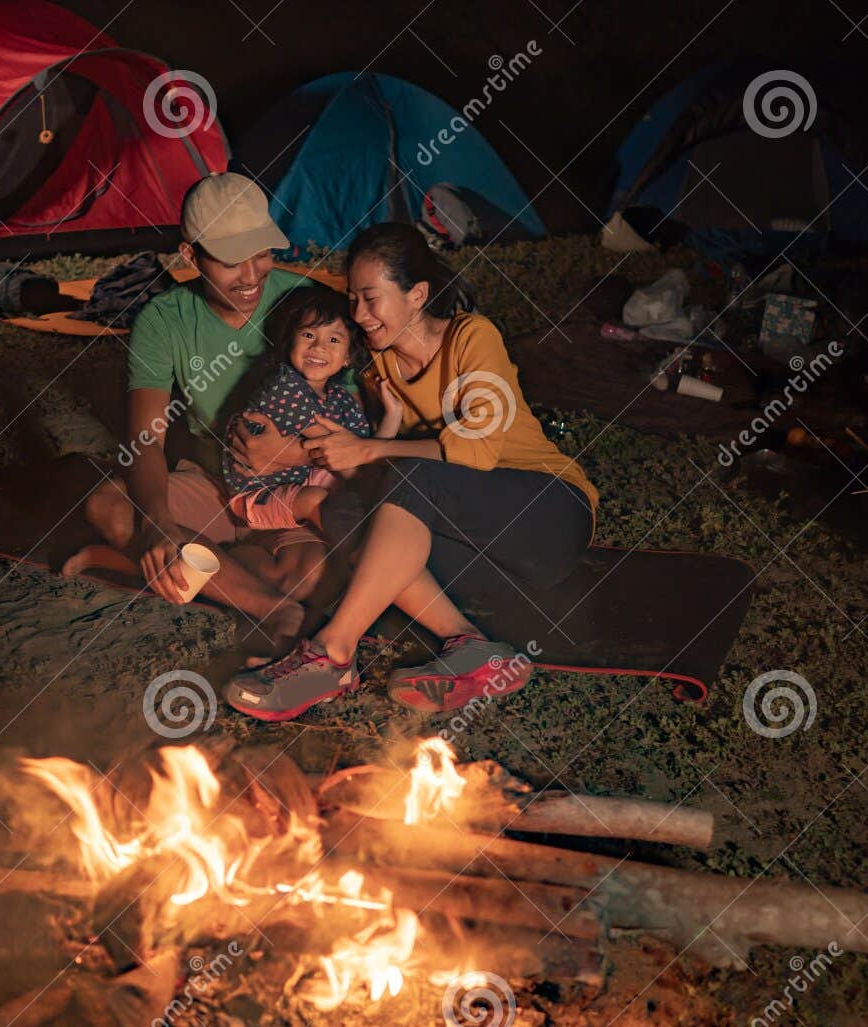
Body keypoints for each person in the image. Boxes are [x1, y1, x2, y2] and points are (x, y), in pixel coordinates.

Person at [224, 223, 599, 721]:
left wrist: (371, 449)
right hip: (478, 550)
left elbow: (480, 450)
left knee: (407, 473)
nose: (358, 314)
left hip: (548, 517)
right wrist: (283, 450)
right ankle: (468, 646)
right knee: (347, 508)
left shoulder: (471, 336)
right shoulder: (379, 365)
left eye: (371, 298)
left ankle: (333, 653)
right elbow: (363, 454)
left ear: (417, 295)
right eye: (352, 298)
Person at [78, 173, 340, 654]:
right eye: (230, 261)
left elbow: (348, 424)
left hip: (291, 485)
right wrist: (158, 519)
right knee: (112, 506)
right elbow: (146, 441)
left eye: (262, 254)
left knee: (310, 575)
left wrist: (289, 455)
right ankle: (274, 608)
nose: (251, 276)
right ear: (190, 257)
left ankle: (175, 566)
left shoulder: (305, 305)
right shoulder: (164, 320)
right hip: (214, 483)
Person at [220, 284, 402, 598]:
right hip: (257, 494)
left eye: (333, 340)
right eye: (308, 336)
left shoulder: (341, 399)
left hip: (301, 478)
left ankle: (377, 548)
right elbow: (349, 458)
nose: (318, 347)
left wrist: (393, 415)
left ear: (347, 357)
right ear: (290, 340)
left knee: (351, 488)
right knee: (319, 497)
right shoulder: (284, 387)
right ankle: (366, 559)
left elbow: (364, 453)